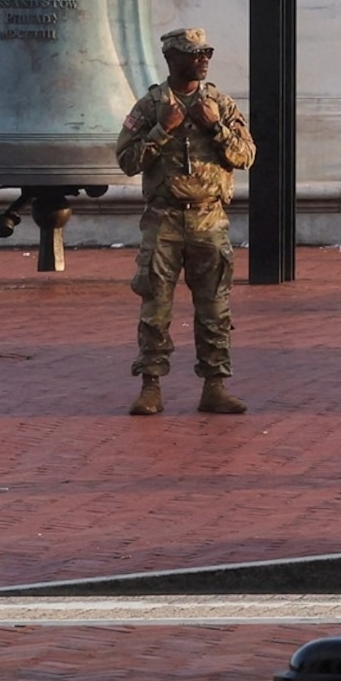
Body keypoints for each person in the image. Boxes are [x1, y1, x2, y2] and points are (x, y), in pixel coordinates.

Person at [116, 26, 256, 416]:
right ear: (171, 58)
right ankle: (151, 386)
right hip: (163, 221)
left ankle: (215, 384)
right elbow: (127, 161)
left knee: (214, 307)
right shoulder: (151, 106)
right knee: (155, 306)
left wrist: (215, 127)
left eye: (206, 52)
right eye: (194, 53)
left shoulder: (220, 104)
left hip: (209, 219)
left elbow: (246, 156)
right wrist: (163, 130)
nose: (203, 59)